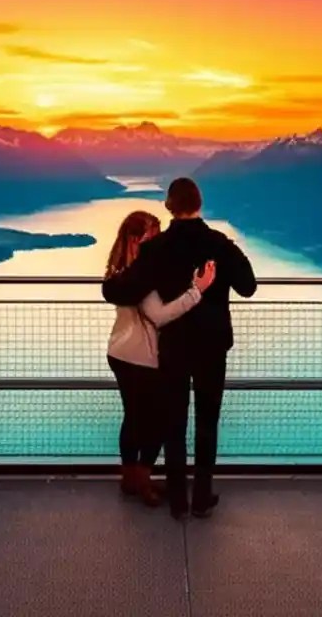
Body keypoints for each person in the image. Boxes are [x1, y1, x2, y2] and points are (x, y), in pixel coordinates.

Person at [103, 178, 257, 519]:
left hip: (173, 347)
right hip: (212, 348)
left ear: (170, 206)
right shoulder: (219, 244)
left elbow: (118, 291)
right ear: (199, 202)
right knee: (207, 422)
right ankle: (201, 496)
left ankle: (177, 501)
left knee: (174, 424)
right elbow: (249, 286)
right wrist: (228, 254)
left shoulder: (156, 249)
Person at [104, 210, 216, 507]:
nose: (159, 242)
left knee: (133, 418)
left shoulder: (119, 270)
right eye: (153, 235)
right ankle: (143, 481)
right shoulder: (143, 275)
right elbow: (160, 315)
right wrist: (197, 290)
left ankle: (130, 480)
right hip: (141, 357)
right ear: (136, 239)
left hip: (119, 351)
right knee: (158, 421)